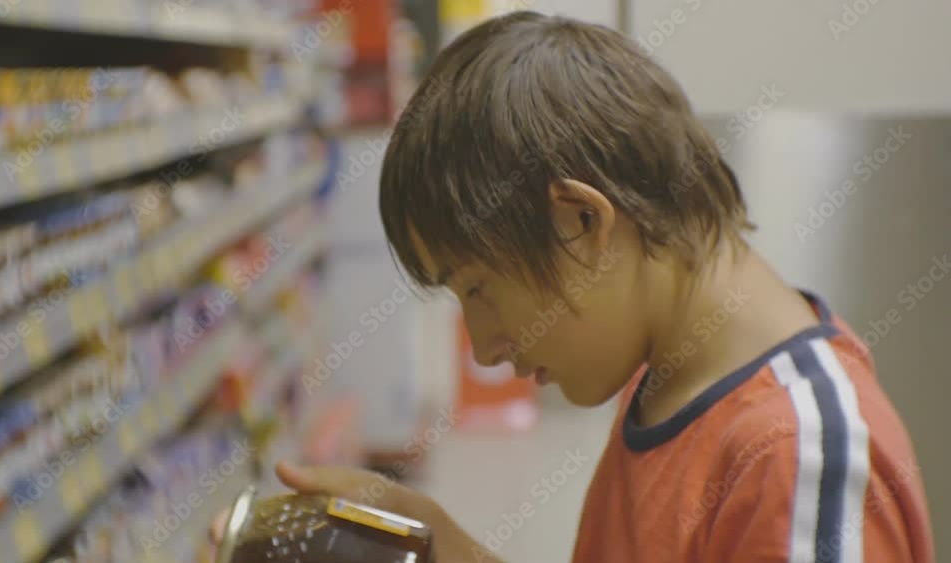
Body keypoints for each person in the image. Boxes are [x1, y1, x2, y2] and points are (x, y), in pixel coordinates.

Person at [216, 11, 935, 562]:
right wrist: (448, 546)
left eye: (479, 288)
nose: (489, 347)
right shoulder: (662, 374)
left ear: (581, 221)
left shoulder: (801, 458)